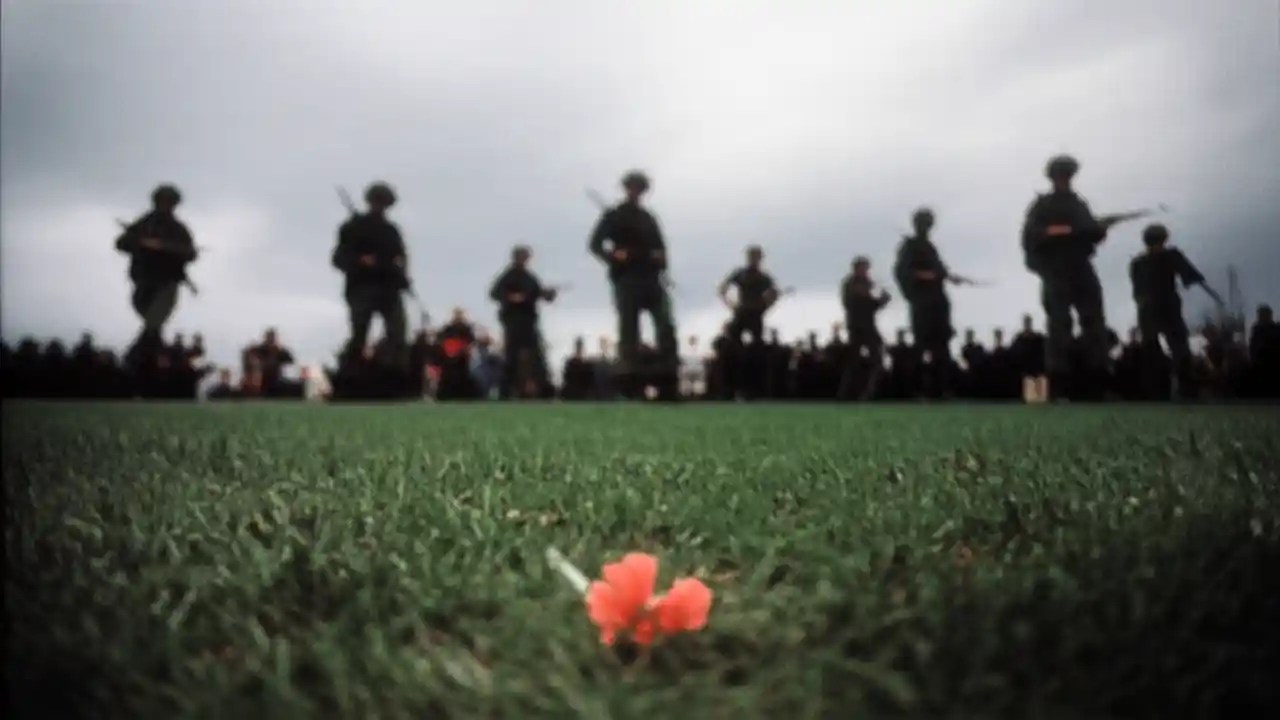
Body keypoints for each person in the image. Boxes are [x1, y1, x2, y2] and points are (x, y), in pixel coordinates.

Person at [1021, 155, 1111, 400]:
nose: (1065, 180)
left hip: (1081, 266)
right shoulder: (1042, 205)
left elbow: (1090, 234)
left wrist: (1099, 230)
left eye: (1068, 175)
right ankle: (1059, 384)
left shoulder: (1078, 204)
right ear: (1053, 178)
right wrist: (1059, 231)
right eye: (1061, 175)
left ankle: (1096, 382)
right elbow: (1031, 235)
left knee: (1094, 323)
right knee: (1059, 325)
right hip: (1055, 269)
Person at [589, 170, 678, 399]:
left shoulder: (648, 218)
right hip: (627, 278)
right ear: (626, 188)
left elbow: (661, 247)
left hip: (651, 277)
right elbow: (595, 244)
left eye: (640, 187)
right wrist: (614, 255)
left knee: (665, 324)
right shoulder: (614, 215)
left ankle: (668, 377)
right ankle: (630, 383)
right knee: (629, 331)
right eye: (632, 186)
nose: (636, 191)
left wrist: (661, 261)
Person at [115, 184, 198, 368]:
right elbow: (121, 244)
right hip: (143, 282)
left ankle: (135, 359)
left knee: (154, 322)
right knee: (153, 328)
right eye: (163, 201)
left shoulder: (178, 229)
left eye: (170, 202)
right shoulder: (144, 223)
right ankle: (152, 361)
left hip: (167, 283)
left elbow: (191, 254)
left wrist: (165, 248)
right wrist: (142, 243)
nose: (166, 206)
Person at [331, 182, 410, 372]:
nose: (380, 206)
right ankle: (351, 375)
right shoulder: (352, 227)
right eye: (378, 201)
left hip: (388, 287)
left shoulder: (391, 231)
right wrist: (360, 260)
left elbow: (401, 257)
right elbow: (338, 258)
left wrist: (401, 273)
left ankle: (392, 375)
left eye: (384, 202)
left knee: (397, 332)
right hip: (362, 287)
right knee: (360, 333)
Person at [1129, 223, 1207, 400]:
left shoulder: (1137, 263)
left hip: (1149, 310)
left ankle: (1159, 392)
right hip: (1165, 308)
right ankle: (1183, 391)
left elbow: (1137, 291)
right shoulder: (1171, 256)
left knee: (1158, 351)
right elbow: (1190, 275)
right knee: (1176, 349)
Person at [894, 208, 957, 398]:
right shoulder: (909, 246)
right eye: (924, 222)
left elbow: (938, 271)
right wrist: (927, 276)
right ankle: (917, 389)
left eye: (929, 223)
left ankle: (941, 389)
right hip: (922, 301)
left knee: (942, 346)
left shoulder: (930, 247)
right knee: (921, 345)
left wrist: (946, 276)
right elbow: (903, 272)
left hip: (938, 300)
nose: (927, 226)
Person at [489, 245, 557, 399]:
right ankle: (505, 392)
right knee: (511, 356)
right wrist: (513, 297)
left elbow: (539, 294)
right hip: (513, 321)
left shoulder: (530, 277)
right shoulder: (507, 276)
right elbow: (494, 293)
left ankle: (543, 392)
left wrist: (549, 294)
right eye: (523, 256)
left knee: (536, 356)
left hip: (529, 322)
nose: (525, 260)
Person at [838, 256, 890, 400]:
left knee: (873, 359)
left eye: (866, 268)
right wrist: (873, 297)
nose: (866, 271)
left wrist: (882, 301)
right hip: (857, 326)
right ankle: (848, 393)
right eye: (863, 268)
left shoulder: (867, 283)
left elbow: (872, 306)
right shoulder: (850, 283)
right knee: (855, 361)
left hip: (868, 325)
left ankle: (865, 393)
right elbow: (852, 303)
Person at [718, 246, 779, 346]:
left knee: (758, 344)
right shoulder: (740, 273)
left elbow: (774, 293)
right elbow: (723, 288)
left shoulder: (763, 277)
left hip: (756, 313)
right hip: (741, 311)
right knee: (732, 339)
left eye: (756, 256)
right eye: (751, 256)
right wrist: (730, 303)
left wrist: (766, 306)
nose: (753, 259)